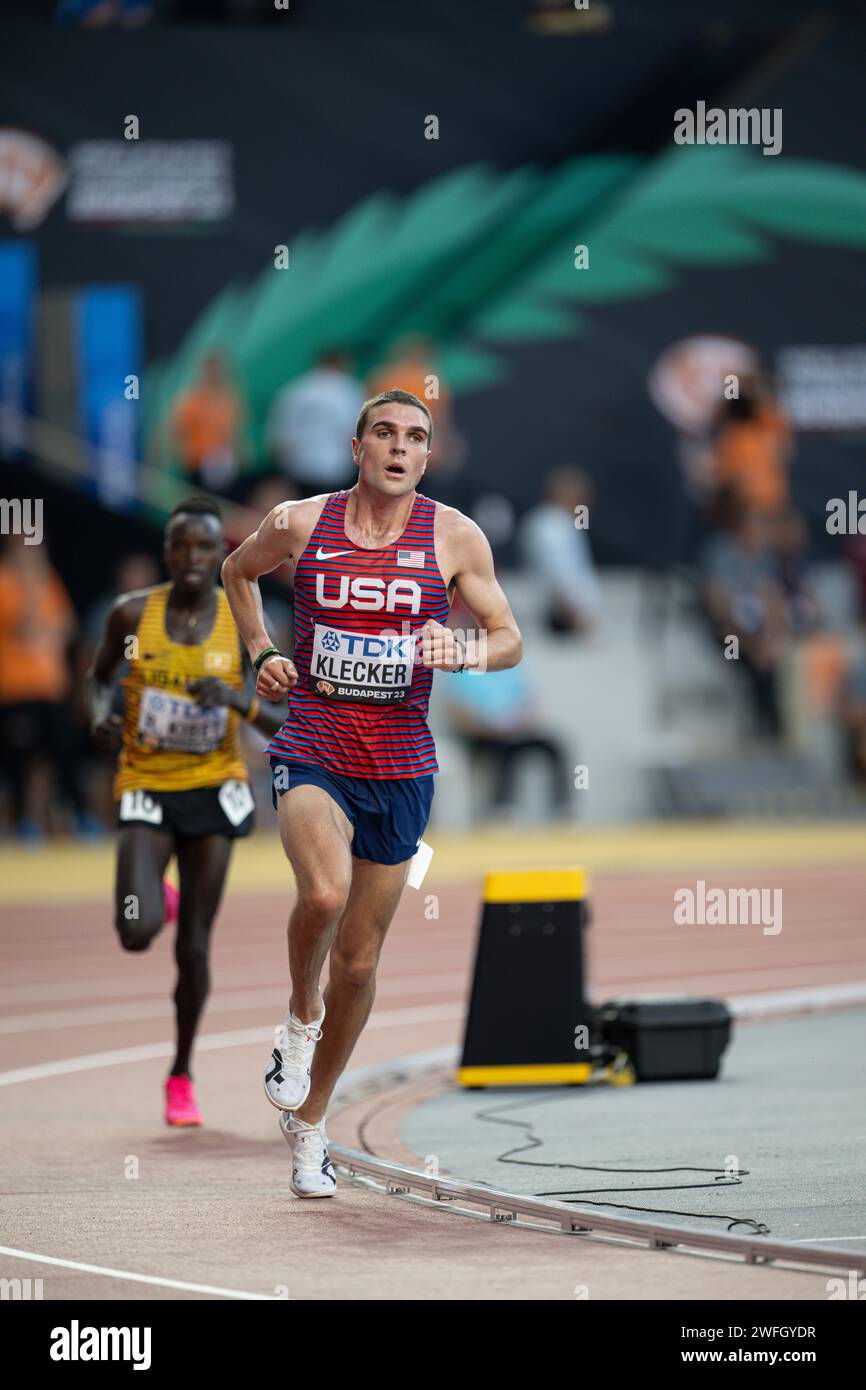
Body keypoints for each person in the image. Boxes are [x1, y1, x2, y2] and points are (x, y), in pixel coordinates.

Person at [221, 388, 522, 1197]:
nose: (398, 446)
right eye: (383, 432)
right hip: (313, 742)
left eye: (414, 437)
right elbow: (236, 569)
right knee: (322, 895)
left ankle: (311, 1123)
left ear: (427, 456)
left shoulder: (455, 537)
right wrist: (259, 650)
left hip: (400, 764)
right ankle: (298, 1017)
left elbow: (509, 638)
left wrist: (457, 649)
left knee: (359, 959)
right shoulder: (300, 522)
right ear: (357, 447)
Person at [86, 497, 287, 1127]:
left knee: (194, 948)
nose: (194, 559)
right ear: (167, 552)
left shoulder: (242, 622)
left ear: (222, 554)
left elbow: (286, 720)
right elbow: (96, 680)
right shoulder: (129, 614)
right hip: (146, 781)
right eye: (182, 548)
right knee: (136, 931)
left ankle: (180, 1074)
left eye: (206, 548)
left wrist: (234, 698)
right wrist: (99, 715)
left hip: (215, 786)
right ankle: (159, 899)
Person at [0, 532, 97, 840]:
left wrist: (47, 624)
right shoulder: (5, 582)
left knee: (62, 754)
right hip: (17, 690)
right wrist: (29, 585)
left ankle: (79, 819)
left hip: (52, 688)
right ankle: (22, 825)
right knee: (21, 761)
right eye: (29, 548)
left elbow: (67, 627)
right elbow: (24, 625)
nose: (36, 554)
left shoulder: (49, 581)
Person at [266, 350, 364, 496]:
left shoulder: (297, 388)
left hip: (299, 464)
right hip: (336, 466)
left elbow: (281, 432)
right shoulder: (349, 389)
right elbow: (355, 430)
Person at [520, 467, 601, 636]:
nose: (585, 500)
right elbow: (558, 572)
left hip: (568, 617)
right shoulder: (551, 526)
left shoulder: (563, 523)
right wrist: (575, 616)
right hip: (562, 622)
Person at [171, 352, 245, 494]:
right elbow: (178, 432)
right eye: (212, 370)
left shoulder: (229, 399)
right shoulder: (192, 400)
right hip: (197, 464)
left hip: (225, 465)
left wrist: (238, 453)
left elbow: (234, 432)